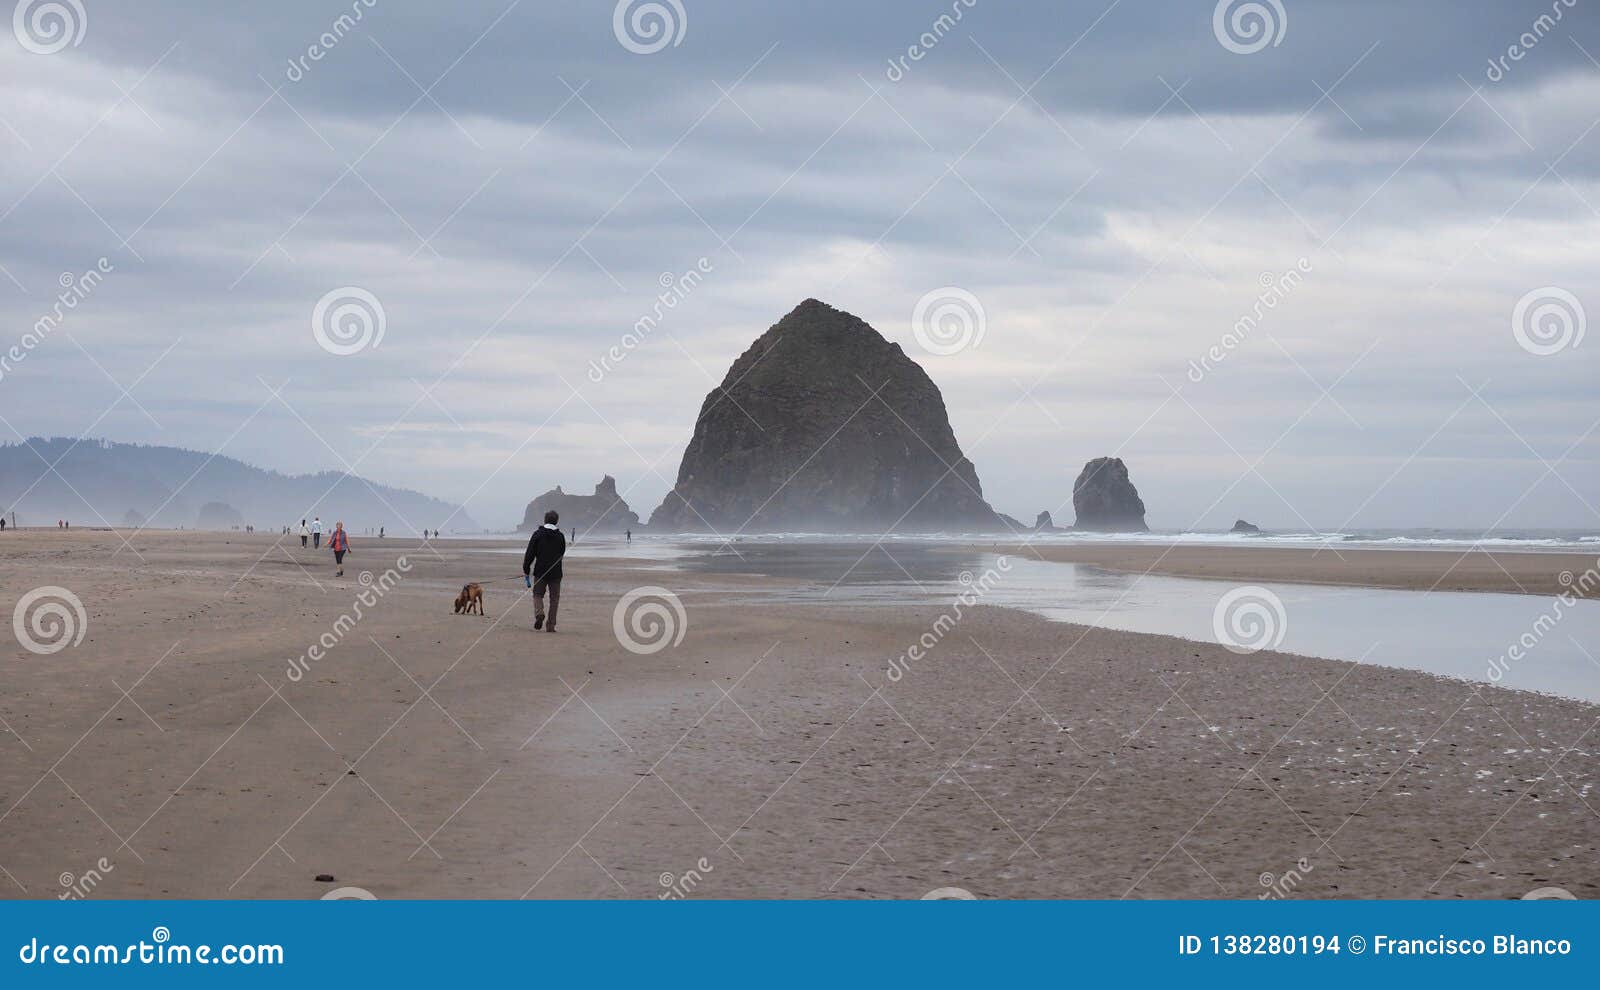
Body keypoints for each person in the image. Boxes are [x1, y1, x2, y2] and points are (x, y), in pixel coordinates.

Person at [522, 509, 566, 633]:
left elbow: (530, 553)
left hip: (540, 570)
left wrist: (526, 568)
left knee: (537, 594)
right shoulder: (560, 536)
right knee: (554, 599)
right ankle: (551, 625)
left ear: (545, 520)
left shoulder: (537, 534)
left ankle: (539, 613)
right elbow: (562, 553)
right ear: (556, 521)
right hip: (556, 572)